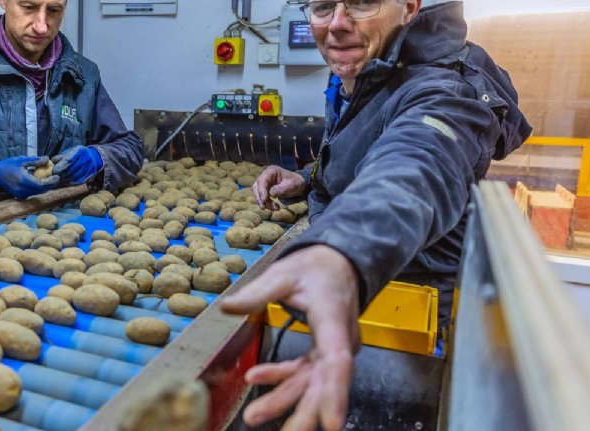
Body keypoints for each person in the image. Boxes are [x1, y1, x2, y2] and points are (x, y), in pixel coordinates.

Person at [220, 1, 531, 430]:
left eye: (362, 2)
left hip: (401, 324)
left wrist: (339, 251)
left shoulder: (443, 90)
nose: (337, 24)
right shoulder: (367, 67)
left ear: (409, 7)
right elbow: (367, 151)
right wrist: (309, 179)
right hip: (348, 306)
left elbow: (415, 165)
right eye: (323, 6)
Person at [0, 0, 143, 215]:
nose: (41, 26)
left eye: (54, 10)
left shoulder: (83, 75)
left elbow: (129, 150)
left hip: (57, 227)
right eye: (28, 7)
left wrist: (97, 159)